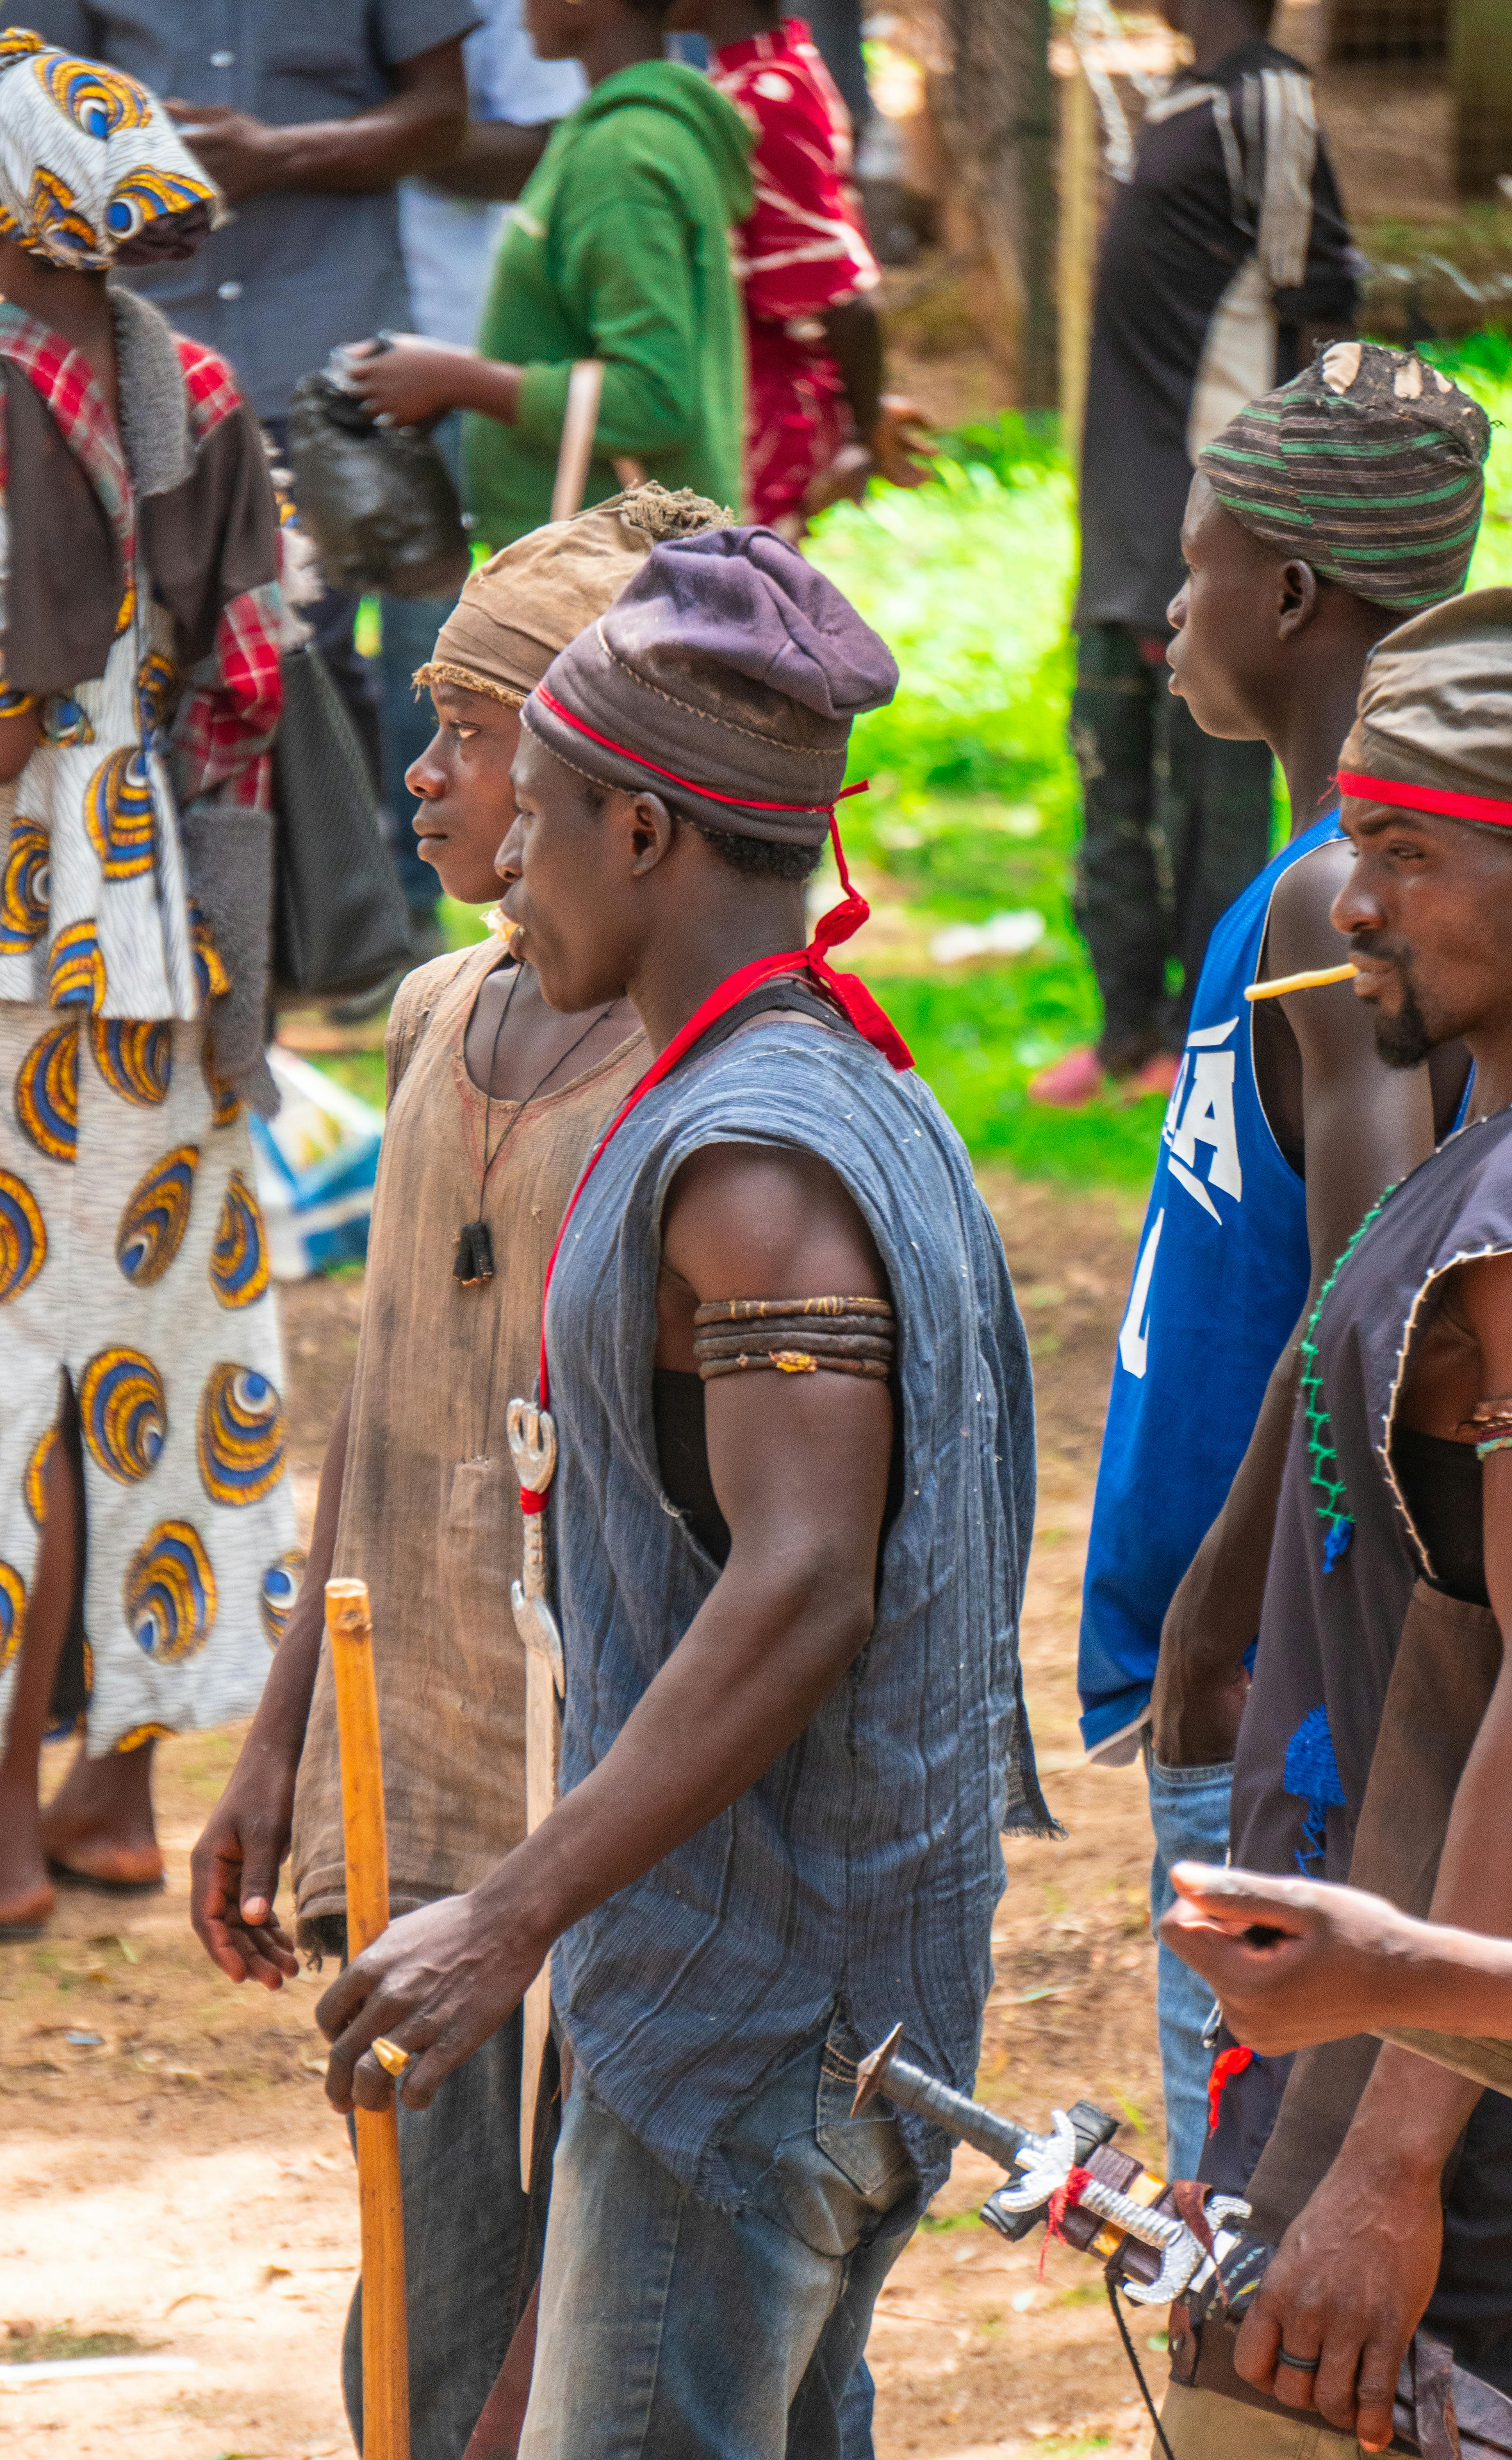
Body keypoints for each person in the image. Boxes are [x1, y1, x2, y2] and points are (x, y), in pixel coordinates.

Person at [312, 528, 1050, 2457]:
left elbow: (805, 1582)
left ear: (640, 833)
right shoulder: (817, 1090)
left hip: (760, 2017)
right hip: (784, 1988)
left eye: (538, 808)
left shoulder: (751, 1161)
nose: (510, 863)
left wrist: (509, 1913)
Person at [187, 490, 746, 2460]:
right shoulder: (436, 1021)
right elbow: (383, 1412)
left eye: (470, 730)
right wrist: (274, 1752)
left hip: (613, 1830)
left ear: (617, 782)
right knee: (415, 2342)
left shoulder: (692, 1097)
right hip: (409, 1785)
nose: (420, 776)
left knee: (588, 2347)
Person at [1076, 342, 1490, 2184]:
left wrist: (1223, 1600)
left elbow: (1363, 1287)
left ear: (1296, 596)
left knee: (1252, 2200)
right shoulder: (1341, 888)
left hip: (1281, 1678)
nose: (1172, 609)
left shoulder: (1344, 901)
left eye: (1197, 567)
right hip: (1271, 1664)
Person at [1158, 588, 1512, 2458]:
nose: (1347, 899)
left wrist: (1386, 2167)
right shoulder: (1465, 1149)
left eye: (1401, 849)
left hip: (1450, 2135)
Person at [0, 31, 294, 1933]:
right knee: (164, 1371)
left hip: (22, 947)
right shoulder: (187, 385)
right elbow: (250, 686)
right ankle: (119, 1791)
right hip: (165, 939)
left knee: (10, 1382)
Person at [26, 0, 476, 855]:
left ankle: (341, 926)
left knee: (317, 662)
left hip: (327, 358)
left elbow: (442, 119)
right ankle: (163, 916)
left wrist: (280, 155)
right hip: (137, 354)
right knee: (141, 658)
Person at [1032, 0, 1359, 1110]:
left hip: (1209, 532)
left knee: (1215, 787)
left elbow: (1316, 303)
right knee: (1107, 765)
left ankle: (1213, 1036)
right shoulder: (1180, 99)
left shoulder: (1267, 96)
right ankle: (1126, 1028)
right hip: (1120, 524)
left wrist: (1275, 524)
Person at [345, 0, 752, 551]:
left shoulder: (621, 155)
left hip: (605, 569)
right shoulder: (629, 132)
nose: (515, 10)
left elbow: (654, 399)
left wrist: (458, 381)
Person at [373, 1, 587, 981]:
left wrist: (375, 128)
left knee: (450, 654)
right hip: (324, 353)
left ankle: (502, 904)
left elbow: (542, 136)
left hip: (461, 351)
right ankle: (375, 919)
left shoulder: (617, 144)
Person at [664, 0, 931, 536]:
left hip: (763, 426)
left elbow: (842, 297)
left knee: (738, 602)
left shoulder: (763, 98)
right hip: (758, 411)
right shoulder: (765, 74)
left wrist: (865, 426)